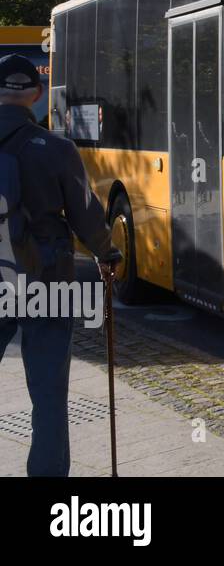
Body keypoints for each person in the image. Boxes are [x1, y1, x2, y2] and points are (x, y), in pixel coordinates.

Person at [0, 53, 118, 477]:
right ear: (36, 94)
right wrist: (107, 254)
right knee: (48, 392)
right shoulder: (56, 148)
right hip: (47, 280)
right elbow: (86, 213)